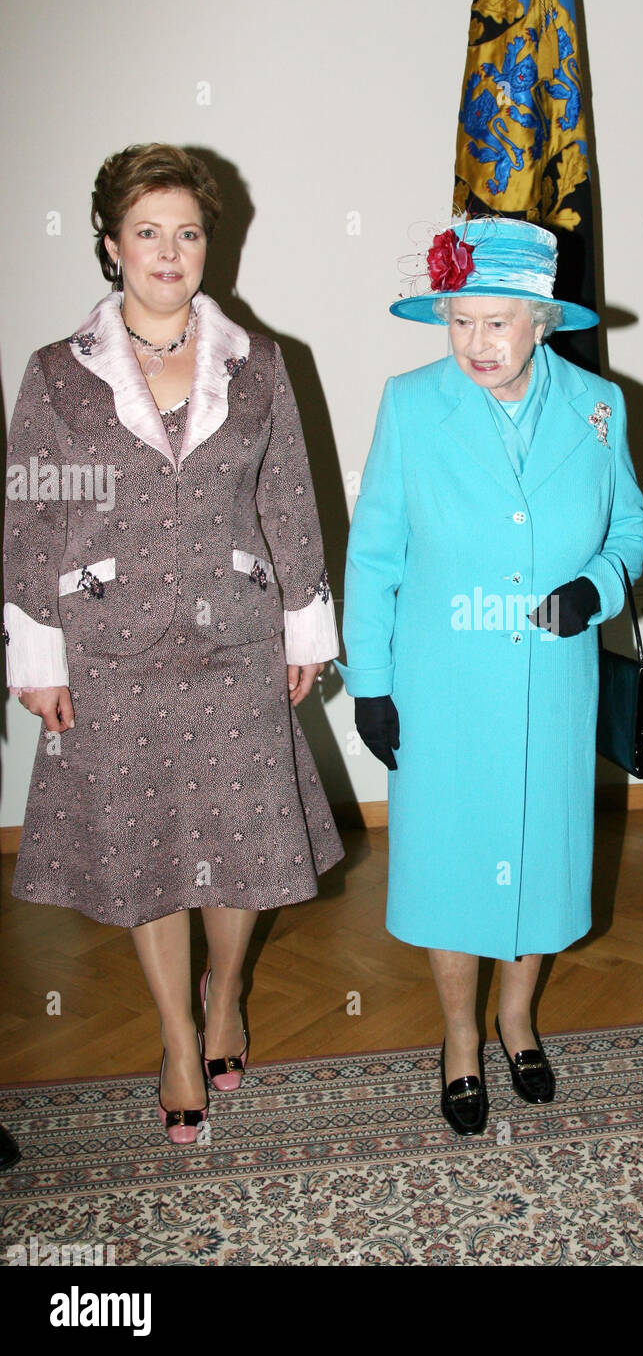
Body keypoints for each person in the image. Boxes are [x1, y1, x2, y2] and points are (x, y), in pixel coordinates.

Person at [3, 144, 344, 1141]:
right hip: (113, 649)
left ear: (208, 245)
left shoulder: (259, 363)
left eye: (187, 231)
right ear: (111, 246)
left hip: (236, 640)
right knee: (148, 848)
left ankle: (225, 988)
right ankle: (176, 1037)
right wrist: (38, 650)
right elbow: (29, 517)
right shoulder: (56, 378)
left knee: (244, 844)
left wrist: (304, 621)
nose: (169, 250)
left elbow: (288, 501)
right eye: (147, 232)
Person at [336, 216, 643, 1133]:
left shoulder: (601, 406)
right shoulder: (409, 402)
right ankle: (459, 1040)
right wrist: (373, 681)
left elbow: (630, 527)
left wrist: (593, 589)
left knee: (544, 858)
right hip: (443, 684)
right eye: (460, 321)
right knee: (451, 862)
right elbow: (376, 552)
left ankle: (518, 1021)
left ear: (544, 319)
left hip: (553, 681)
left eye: (497, 323)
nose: (476, 343)